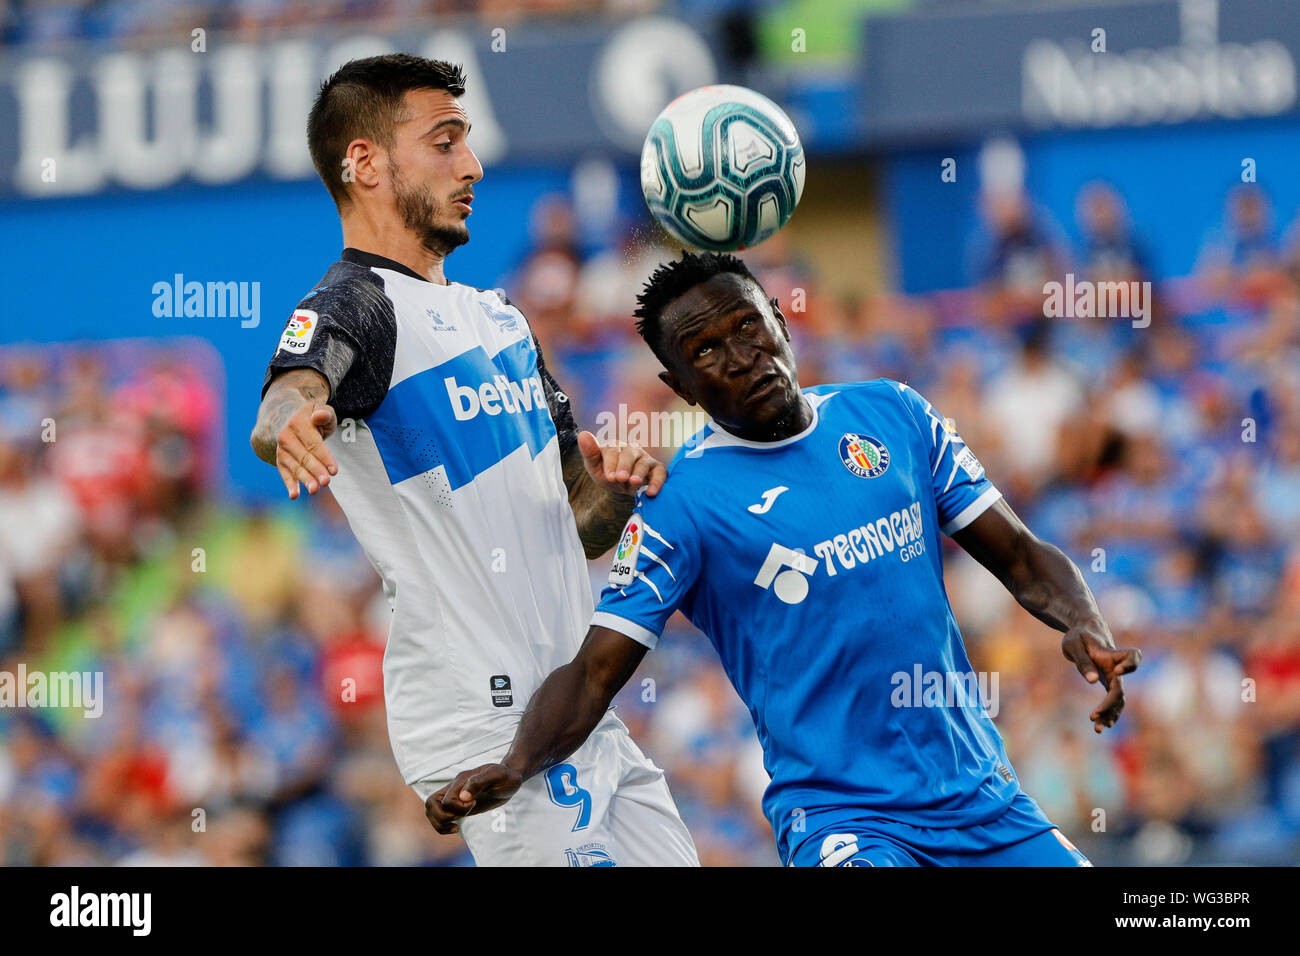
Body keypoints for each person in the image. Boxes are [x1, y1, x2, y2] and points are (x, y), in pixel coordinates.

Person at [426, 250, 1142, 867]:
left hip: (985, 800)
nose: (742, 358)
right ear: (678, 388)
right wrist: (516, 766)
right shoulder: (682, 506)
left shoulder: (894, 415)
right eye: (705, 351)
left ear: (779, 317)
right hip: (846, 824)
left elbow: (1019, 554)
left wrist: (1083, 622)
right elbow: (591, 675)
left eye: (747, 327)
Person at [248, 54, 697, 867]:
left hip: (575, 709)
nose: (474, 165)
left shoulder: (501, 321)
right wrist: (288, 424)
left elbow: (583, 524)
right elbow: (291, 392)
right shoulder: (356, 305)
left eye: (469, 140)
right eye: (445, 141)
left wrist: (619, 490)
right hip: (488, 717)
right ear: (365, 163)